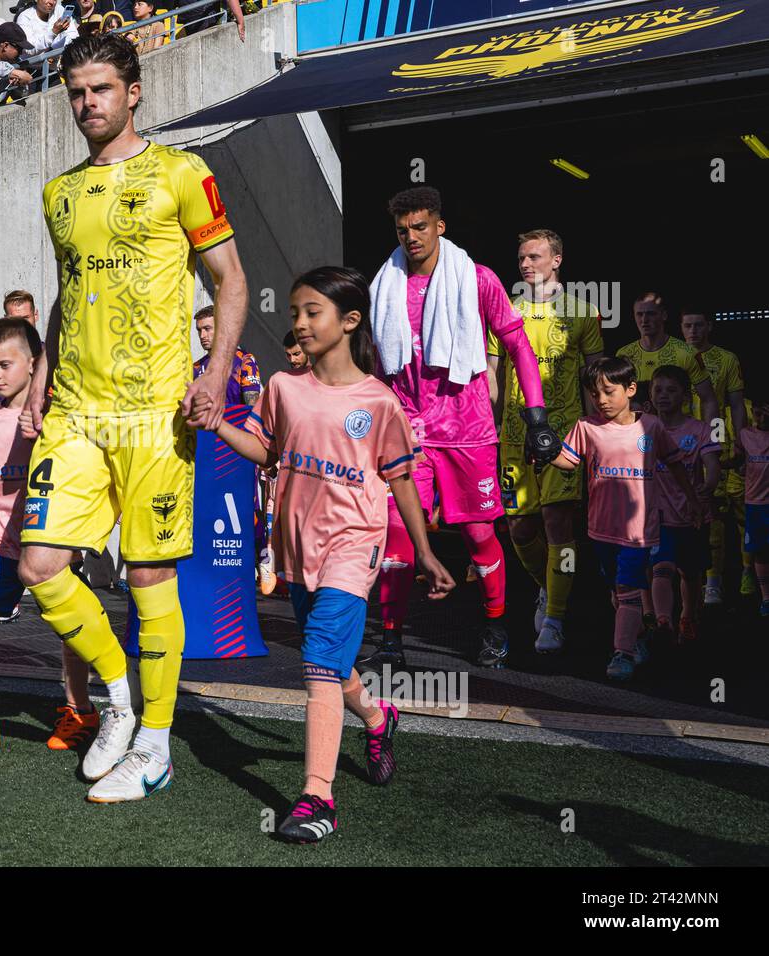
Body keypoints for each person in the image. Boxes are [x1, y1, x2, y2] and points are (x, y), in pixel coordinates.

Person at [19, 34, 247, 803]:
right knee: (41, 568)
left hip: (155, 411)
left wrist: (213, 374)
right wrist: (40, 386)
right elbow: (64, 296)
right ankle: (120, 700)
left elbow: (234, 280)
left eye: (102, 90)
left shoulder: (183, 173)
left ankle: (156, 744)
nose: (89, 104)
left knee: (149, 576)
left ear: (134, 92)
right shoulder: (57, 192)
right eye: (77, 92)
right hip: (76, 412)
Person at [216, 266, 453, 843]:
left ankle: (316, 798)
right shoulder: (282, 387)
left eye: (311, 312)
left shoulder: (379, 402)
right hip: (296, 548)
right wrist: (217, 425)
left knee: (319, 657)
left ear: (349, 321)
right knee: (334, 663)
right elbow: (266, 451)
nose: (298, 323)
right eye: (294, 312)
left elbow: (400, 482)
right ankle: (378, 717)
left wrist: (424, 551)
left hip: (354, 546)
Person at [363, 187, 556, 670]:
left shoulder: (476, 278)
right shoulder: (383, 284)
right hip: (408, 430)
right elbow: (372, 364)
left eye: (420, 227)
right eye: (403, 230)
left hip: (468, 431)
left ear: (440, 227)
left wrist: (536, 415)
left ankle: (494, 622)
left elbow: (518, 348)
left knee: (477, 533)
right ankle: (391, 639)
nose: (411, 237)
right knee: (397, 528)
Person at [0, 318, 98, 754]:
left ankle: (79, 710)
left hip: (46, 538)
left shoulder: (54, 417)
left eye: (5, 365)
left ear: (34, 364)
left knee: (68, 629)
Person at [487, 228, 603, 654]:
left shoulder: (583, 312)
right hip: (515, 436)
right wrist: (489, 424)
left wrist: (599, 429)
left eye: (534, 256)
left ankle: (554, 617)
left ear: (557, 260)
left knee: (558, 526)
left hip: (563, 437)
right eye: (521, 257)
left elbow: (595, 378)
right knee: (519, 528)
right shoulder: (505, 313)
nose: (525, 264)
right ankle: (549, 587)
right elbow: (492, 376)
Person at [548, 356, 700, 680]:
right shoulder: (586, 427)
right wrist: (545, 451)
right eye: (594, 393)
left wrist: (692, 498)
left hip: (639, 529)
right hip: (600, 529)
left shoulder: (652, 426)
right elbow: (567, 462)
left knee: (628, 587)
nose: (600, 400)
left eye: (608, 391)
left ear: (630, 389)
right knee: (617, 593)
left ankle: (622, 654)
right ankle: (639, 638)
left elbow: (674, 463)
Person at [678, 308, 749, 605]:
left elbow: (736, 404)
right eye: (687, 326)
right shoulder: (676, 356)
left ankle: (749, 570)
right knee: (711, 515)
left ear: (709, 326)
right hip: (687, 445)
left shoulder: (727, 359)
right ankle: (712, 581)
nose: (693, 331)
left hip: (723, 442)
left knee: (743, 512)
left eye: (698, 325)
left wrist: (744, 442)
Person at [649, 364, 720, 642]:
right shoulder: (643, 427)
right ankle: (663, 621)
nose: (663, 395)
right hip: (658, 516)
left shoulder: (701, 429)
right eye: (658, 389)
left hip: (691, 516)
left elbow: (712, 467)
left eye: (671, 390)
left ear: (685, 396)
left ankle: (687, 617)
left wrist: (707, 489)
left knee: (690, 573)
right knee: (661, 567)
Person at [616, 292, 716, 423]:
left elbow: (709, 400)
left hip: (678, 436)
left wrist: (713, 440)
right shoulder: (624, 354)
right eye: (639, 314)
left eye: (651, 313)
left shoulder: (687, 353)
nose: (644, 320)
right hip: (636, 435)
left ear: (664, 315)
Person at [734, 386, 769, 616]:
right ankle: (766, 598)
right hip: (755, 504)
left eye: (768, 413)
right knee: (760, 552)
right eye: (759, 413)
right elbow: (737, 462)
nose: (763, 418)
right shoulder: (745, 435)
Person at [193, 303, 260, 406]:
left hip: (237, 421)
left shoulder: (245, 360)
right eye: (199, 330)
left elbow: (252, 408)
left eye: (207, 329)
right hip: (206, 422)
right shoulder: (196, 367)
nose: (202, 336)